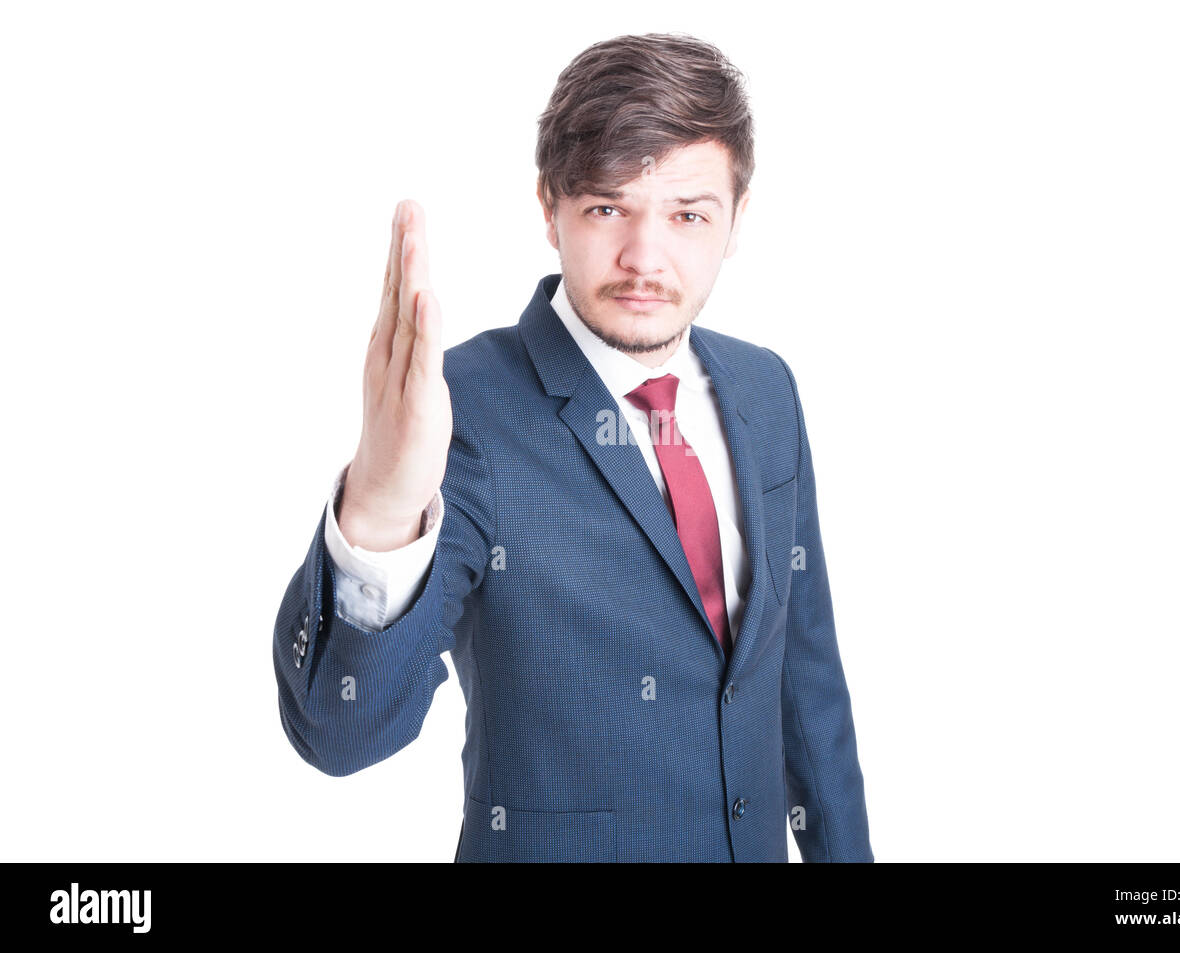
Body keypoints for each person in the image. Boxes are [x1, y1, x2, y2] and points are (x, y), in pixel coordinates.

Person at [273, 31, 873, 863]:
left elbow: (808, 691)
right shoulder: (460, 410)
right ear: (549, 208)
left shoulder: (767, 389)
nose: (644, 257)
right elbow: (342, 734)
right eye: (606, 207)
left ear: (736, 221)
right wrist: (379, 505)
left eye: (688, 215)